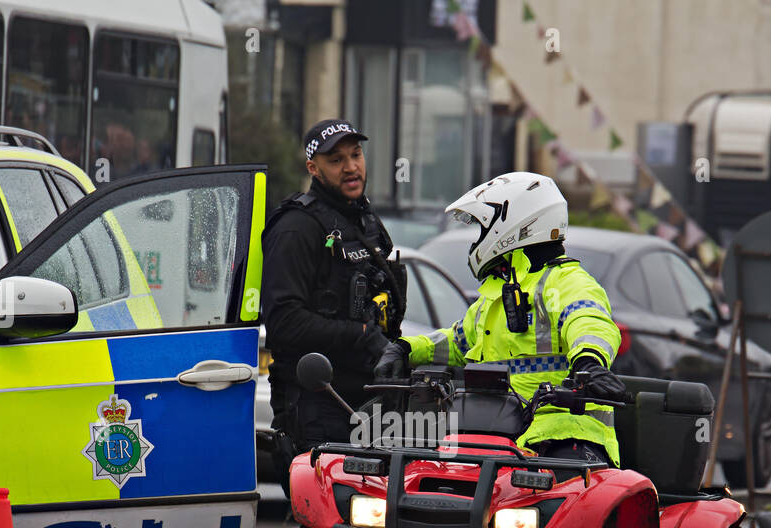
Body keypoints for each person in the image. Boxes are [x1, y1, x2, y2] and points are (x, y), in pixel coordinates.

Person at [375, 171, 627, 467]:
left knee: (563, 498)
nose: (477, 240)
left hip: (565, 435)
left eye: (483, 228)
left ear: (515, 224)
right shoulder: (495, 294)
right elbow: (457, 342)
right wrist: (404, 348)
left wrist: (589, 363)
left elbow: (589, 322)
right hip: (493, 434)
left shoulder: (568, 282)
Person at [260, 118, 406, 484]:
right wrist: (359, 334)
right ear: (314, 168)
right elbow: (284, 323)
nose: (351, 166)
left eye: (355, 154)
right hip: (316, 404)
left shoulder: (365, 221)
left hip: (370, 402)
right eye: (336, 160)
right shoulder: (296, 227)